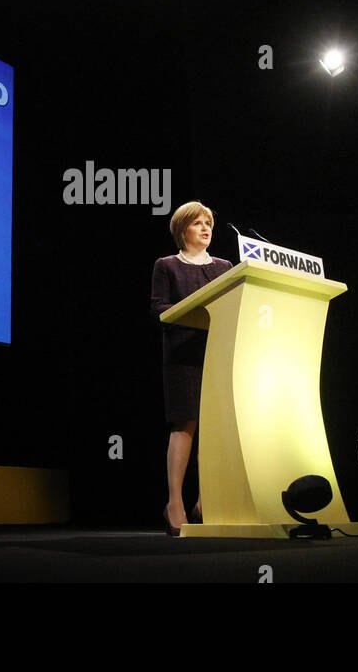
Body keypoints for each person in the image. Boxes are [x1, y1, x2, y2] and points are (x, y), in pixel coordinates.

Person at [150, 201, 232, 535]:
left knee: (215, 428)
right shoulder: (167, 265)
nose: (205, 227)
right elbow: (159, 309)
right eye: (197, 222)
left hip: (217, 352)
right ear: (182, 229)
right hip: (183, 354)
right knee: (186, 424)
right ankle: (175, 502)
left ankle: (206, 501)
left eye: (208, 222)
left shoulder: (226, 265)